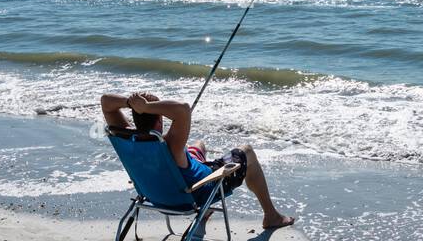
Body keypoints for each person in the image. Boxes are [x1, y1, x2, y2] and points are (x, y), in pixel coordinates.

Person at [101, 89, 294, 231]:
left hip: (155, 195)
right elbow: (183, 110)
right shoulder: (170, 145)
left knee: (198, 145)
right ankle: (271, 216)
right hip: (198, 191)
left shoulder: (131, 140)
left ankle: (207, 207)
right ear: (159, 121)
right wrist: (147, 106)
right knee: (247, 151)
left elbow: (105, 102)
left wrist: (131, 103)